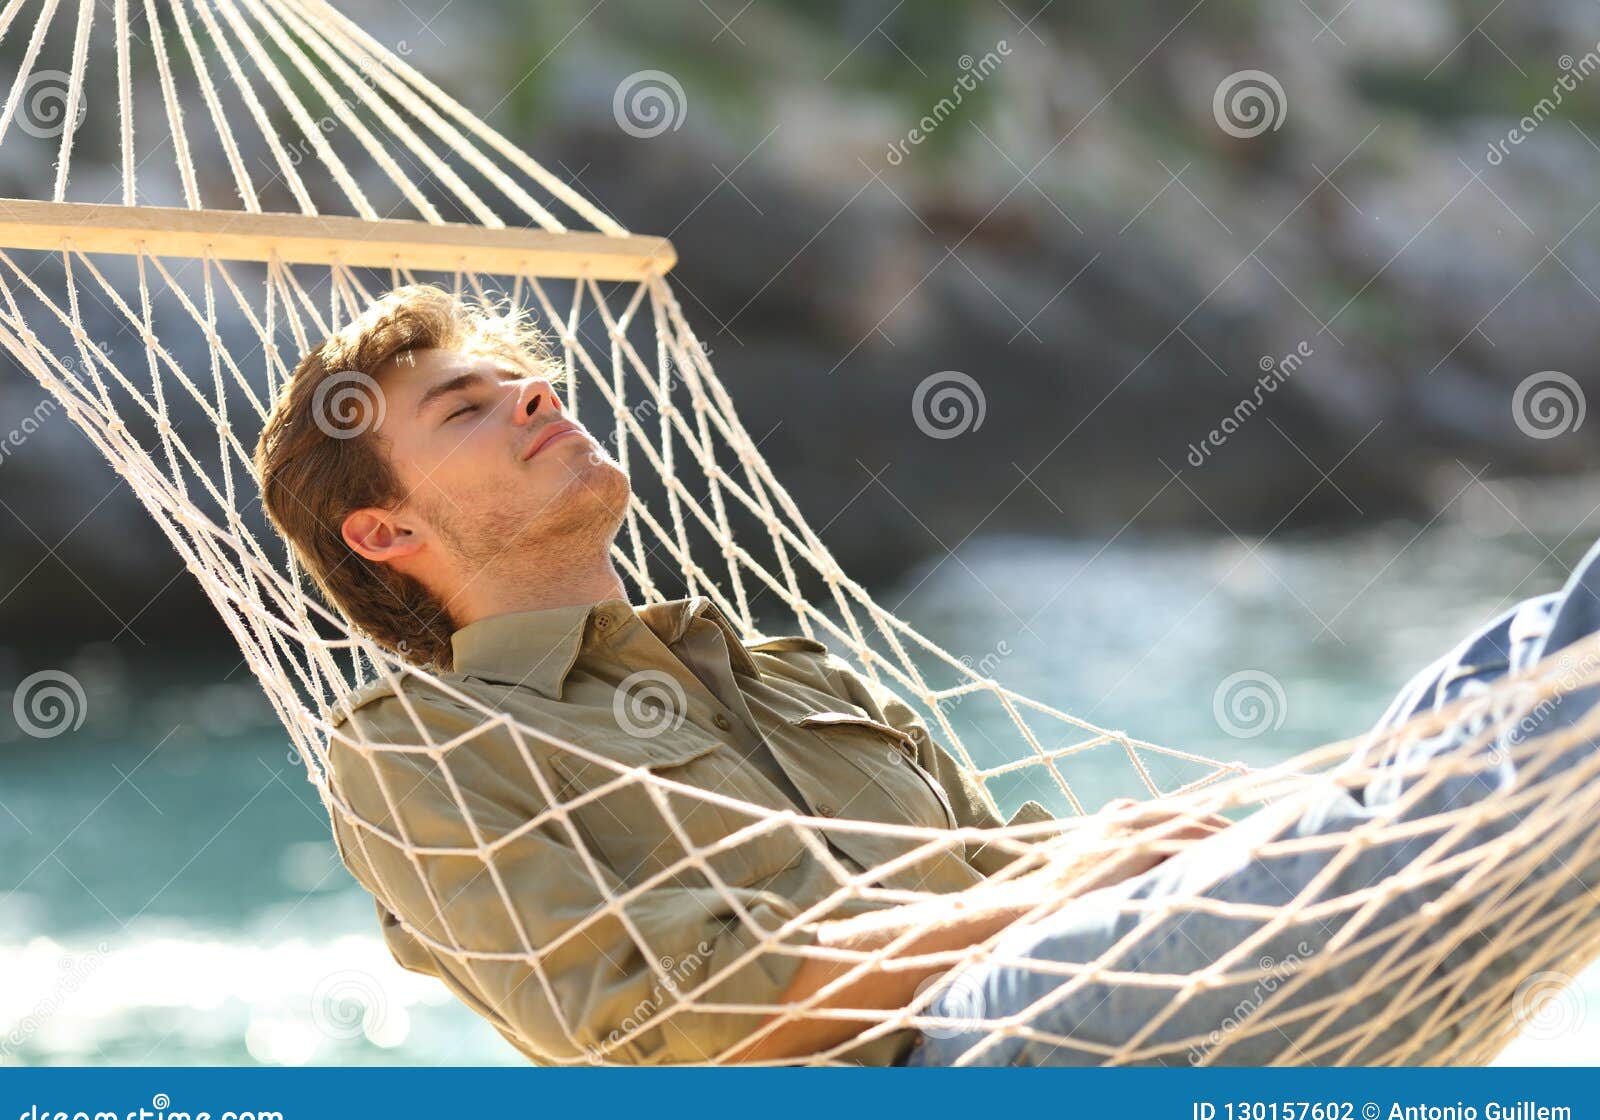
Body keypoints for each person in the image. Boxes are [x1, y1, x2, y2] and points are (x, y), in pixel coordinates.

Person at [255, 285, 1599, 1066]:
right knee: (1457, 825)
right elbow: (666, 1033)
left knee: (1500, 701)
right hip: (925, 1079)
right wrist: (1065, 876)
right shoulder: (423, 749)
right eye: (467, 409)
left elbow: (993, 859)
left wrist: (1085, 858)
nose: (534, 397)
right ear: (385, 530)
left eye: (523, 380)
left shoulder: (768, 665)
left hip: (1055, 998)